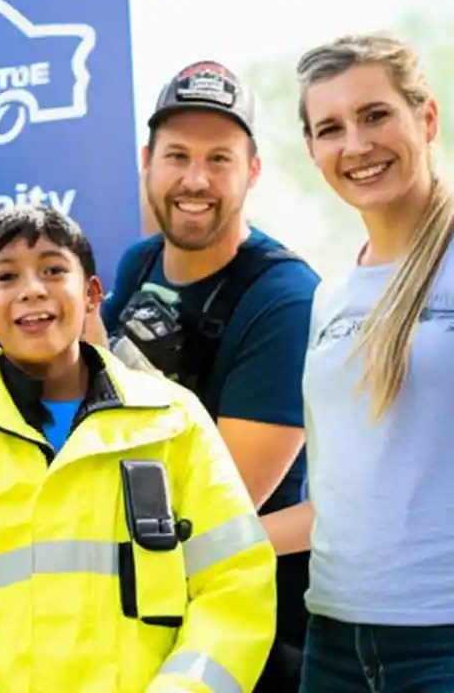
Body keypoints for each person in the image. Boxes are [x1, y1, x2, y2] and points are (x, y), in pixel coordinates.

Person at [0, 205, 276, 692]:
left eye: (53, 270)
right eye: (5, 276)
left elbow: (235, 588)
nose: (32, 289)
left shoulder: (175, 423)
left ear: (91, 294)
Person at [100, 60, 320, 688]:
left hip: (253, 631)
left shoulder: (284, 298)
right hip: (155, 611)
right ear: (147, 161)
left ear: (252, 171)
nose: (194, 180)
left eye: (219, 159)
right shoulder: (139, 264)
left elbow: (226, 508)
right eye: (177, 156)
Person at [296, 33, 454, 691]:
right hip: (332, 636)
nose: (355, 146)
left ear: (426, 117)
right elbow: (336, 496)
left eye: (374, 115)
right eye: (329, 128)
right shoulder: (331, 296)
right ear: (311, 151)